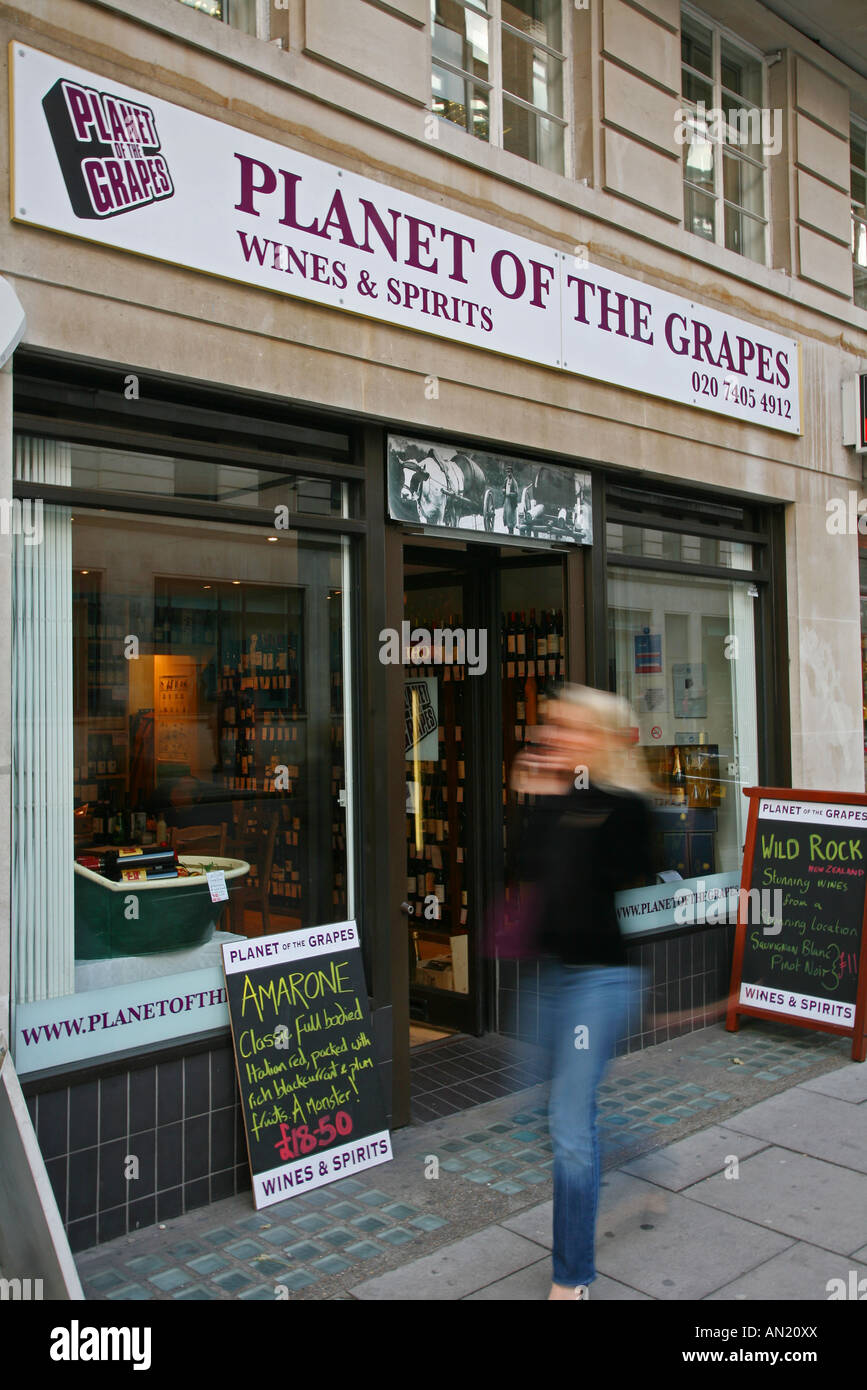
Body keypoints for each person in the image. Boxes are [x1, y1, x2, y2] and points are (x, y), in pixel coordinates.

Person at [510, 685, 655, 1301]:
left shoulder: (627, 809)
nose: (554, 736)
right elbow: (516, 873)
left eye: (569, 727)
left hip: (601, 979)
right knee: (537, 1109)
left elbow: (611, 875)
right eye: (553, 725)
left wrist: (566, 800)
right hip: (551, 979)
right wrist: (539, 801)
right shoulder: (557, 801)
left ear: (596, 737)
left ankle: (571, 1280)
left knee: (569, 1125)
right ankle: (634, 1159)